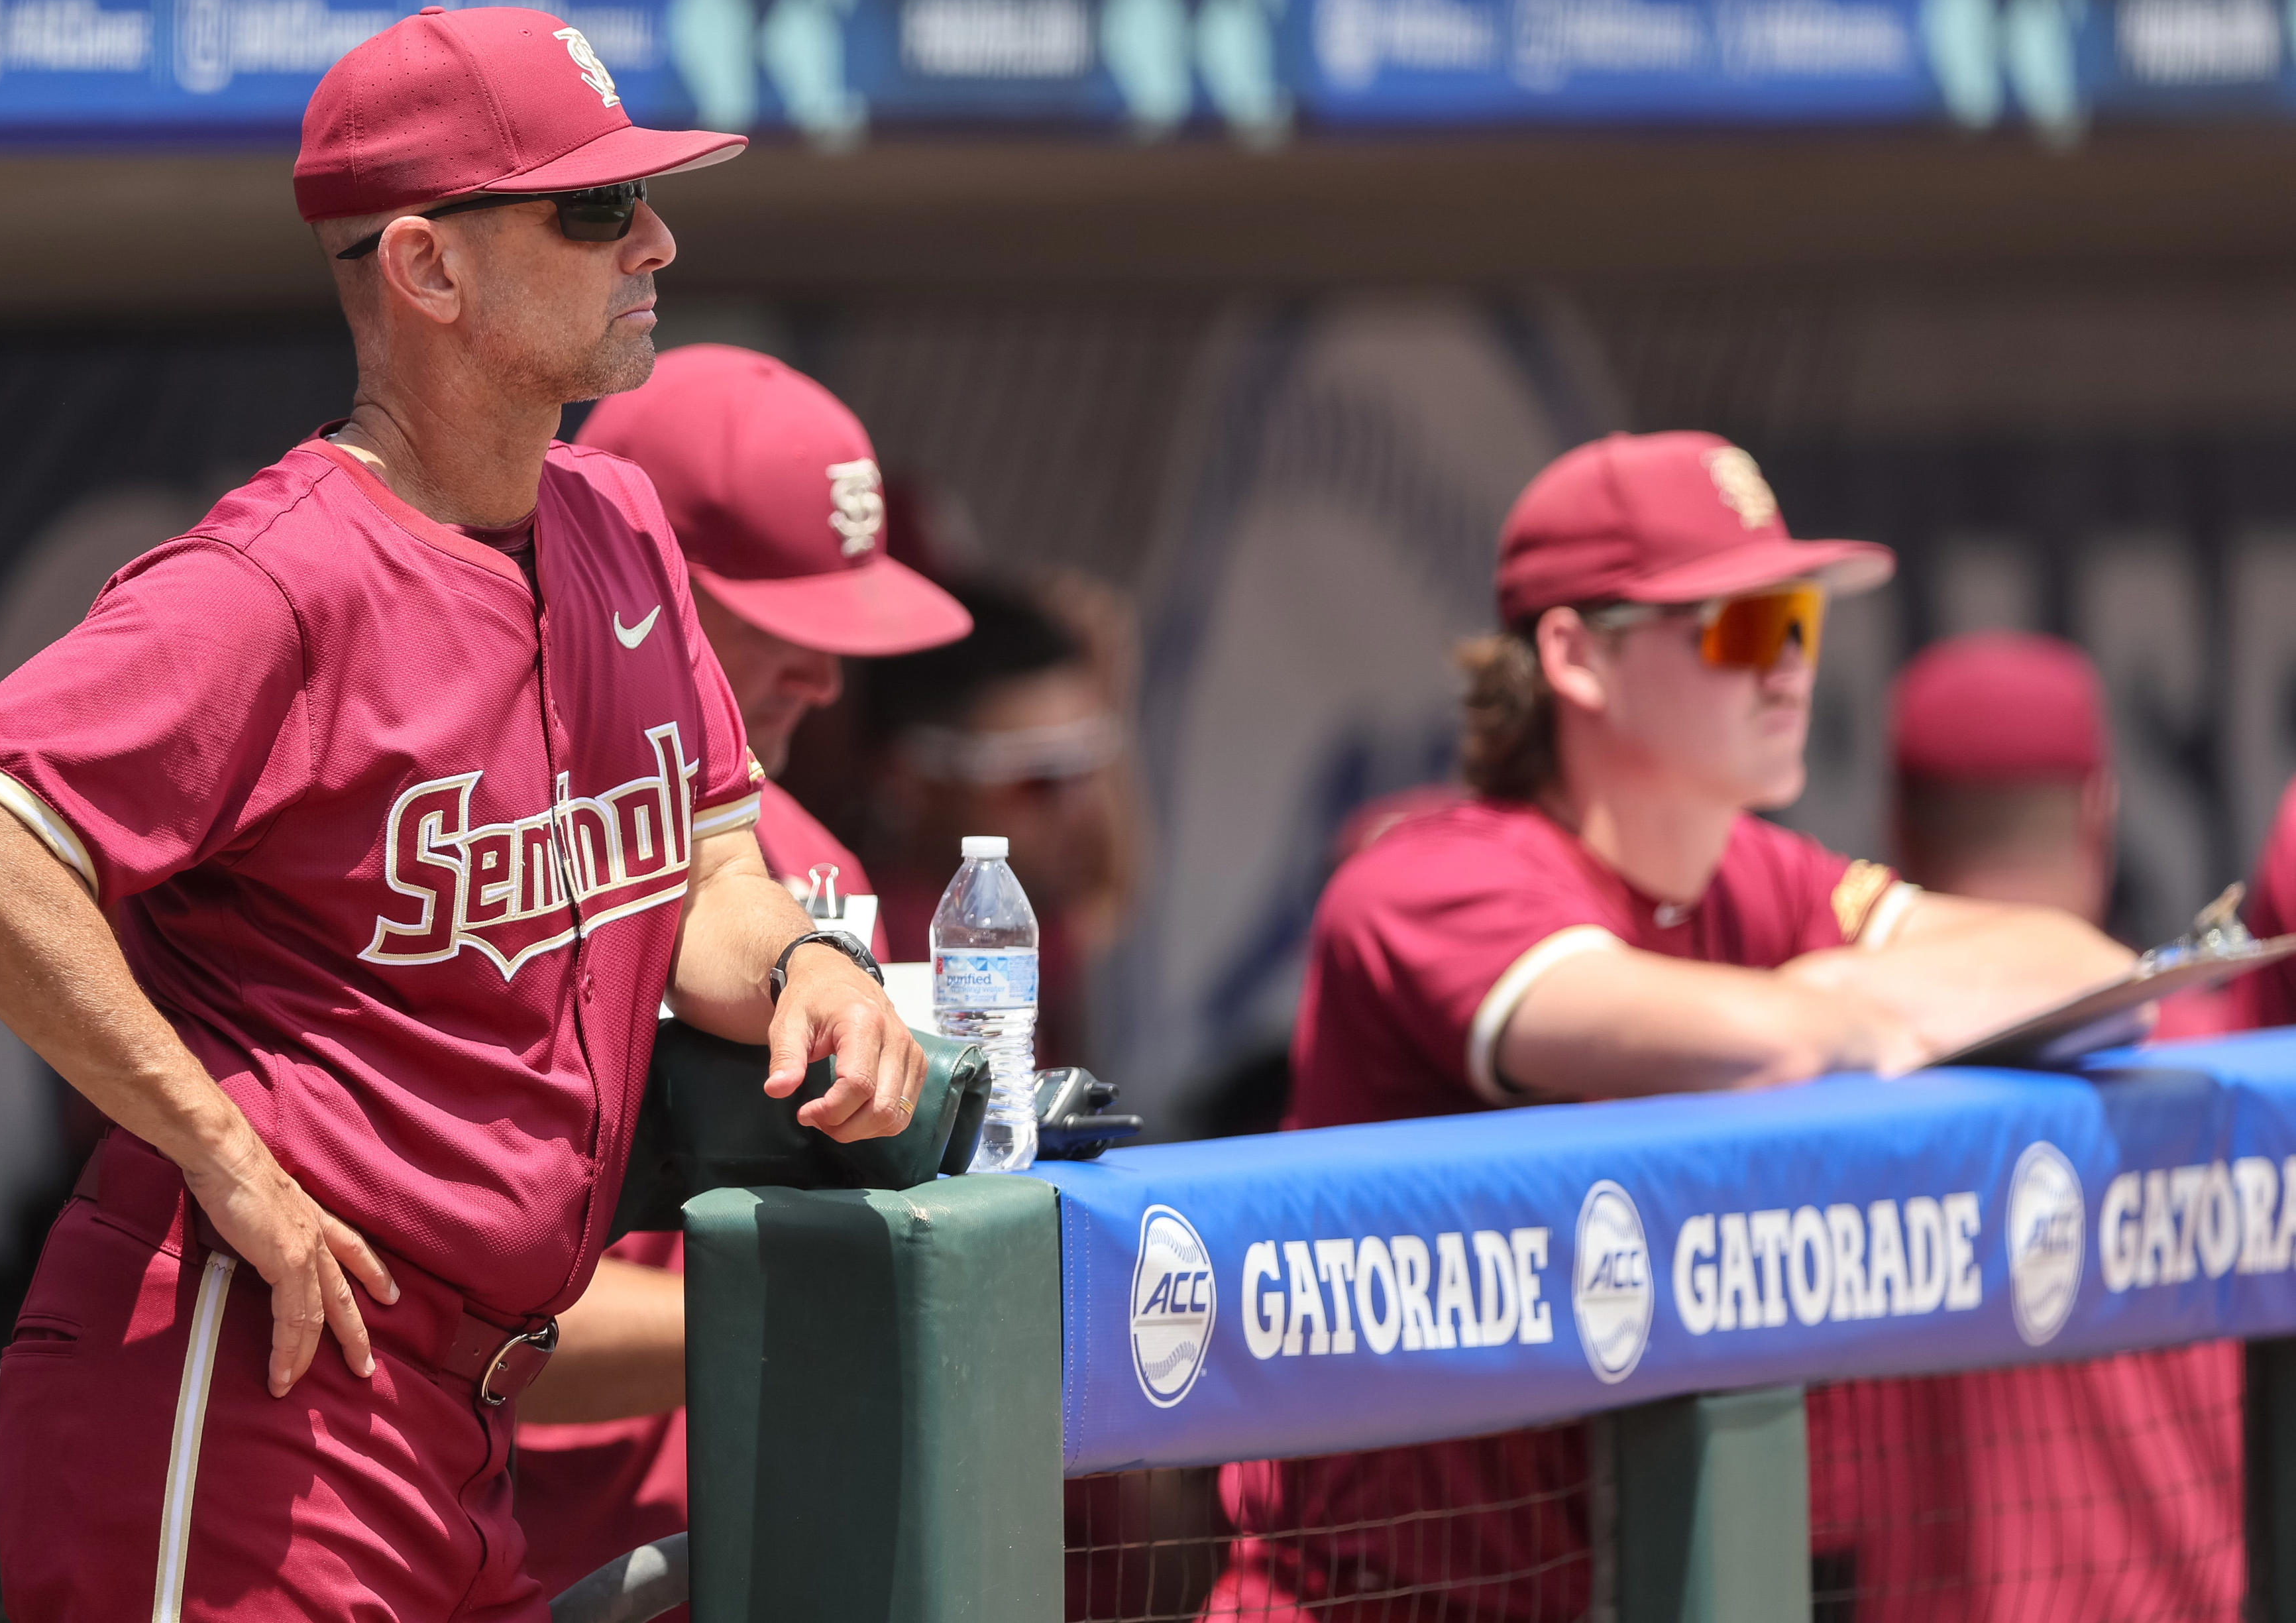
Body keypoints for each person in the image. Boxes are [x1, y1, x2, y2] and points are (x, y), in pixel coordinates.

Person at [0, 5, 926, 1623]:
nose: (651, 234)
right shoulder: (274, 578)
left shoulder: (617, 519)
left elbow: (707, 851)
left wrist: (805, 965)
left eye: (636, 196)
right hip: (244, 1382)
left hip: (463, 1414)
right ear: (428, 269)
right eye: (591, 209)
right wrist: (218, 1148)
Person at [1212, 430, 2129, 1620]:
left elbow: (2083, 961)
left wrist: (1826, 1001)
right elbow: (1771, 1047)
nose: (1789, 667)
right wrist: (1834, 1013)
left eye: (1797, 620)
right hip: (1371, 1598)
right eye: (1739, 626)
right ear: (1575, 655)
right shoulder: (1433, 880)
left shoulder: (1758, 876)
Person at [510, 341, 972, 1606]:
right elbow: (442, 1307)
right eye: (778, 626)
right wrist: (868, 1308)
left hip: (766, 1555)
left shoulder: (812, 867)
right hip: (504, 1564)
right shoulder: (487, 867)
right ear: (632, 583)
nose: (824, 680)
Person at [1805, 632, 2238, 1622]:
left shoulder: (1849, 1129)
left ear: (1893, 835)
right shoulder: (2229, 1073)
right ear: (2102, 808)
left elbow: (1807, 1514)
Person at [857, 577, 1139, 1070]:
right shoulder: (881, 940)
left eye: (1088, 769)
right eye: (1035, 781)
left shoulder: (1026, 908)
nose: (1082, 810)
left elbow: (1110, 891)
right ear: (912, 782)